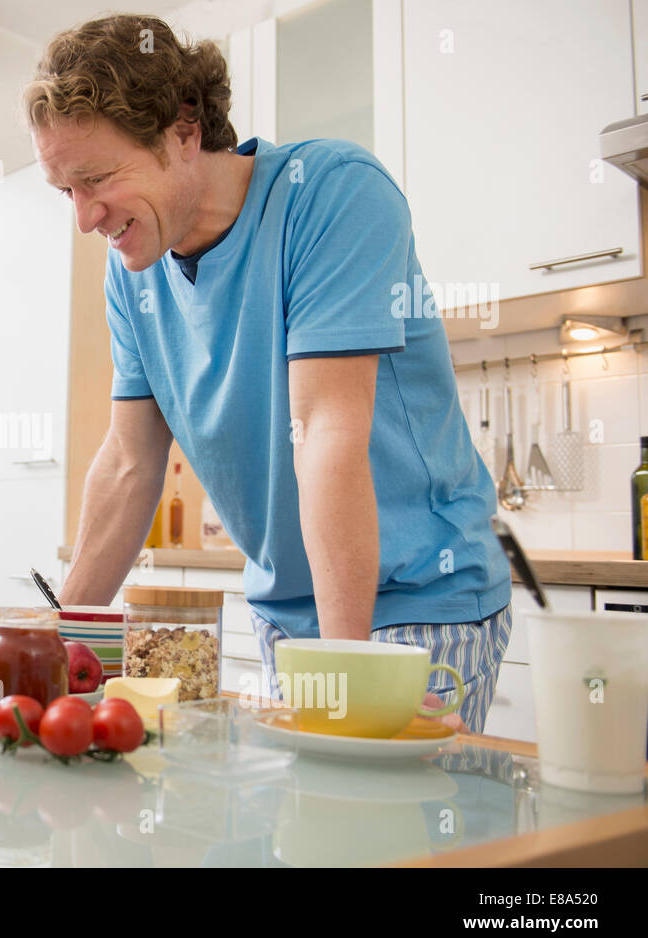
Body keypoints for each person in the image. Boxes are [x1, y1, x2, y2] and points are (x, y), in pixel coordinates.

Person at [27, 15, 512, 732]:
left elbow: (326, 433)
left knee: (366, 800)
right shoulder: (132, 270)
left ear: (183, 130)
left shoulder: (334, 195)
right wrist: (55, 647)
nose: (85, 217)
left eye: (96, 179)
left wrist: (345, 676)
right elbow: (130, 462)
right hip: (285, 613)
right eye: (65, 190)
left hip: (415, 601)